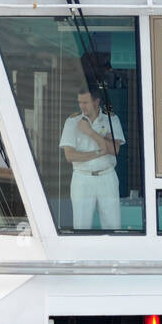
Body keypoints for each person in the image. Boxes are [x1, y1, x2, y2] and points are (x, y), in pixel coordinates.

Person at [59, 89, 125, 231]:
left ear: (96, 102)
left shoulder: (111, 119)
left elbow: (114, 150)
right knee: (81, 225)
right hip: (82, 178)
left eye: (86, 102)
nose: (82, 106)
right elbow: (70, 156)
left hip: (106, 175)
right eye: (80, 102)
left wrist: (90, 132)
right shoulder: (72, 121)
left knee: (112, 225)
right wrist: (99, 151)